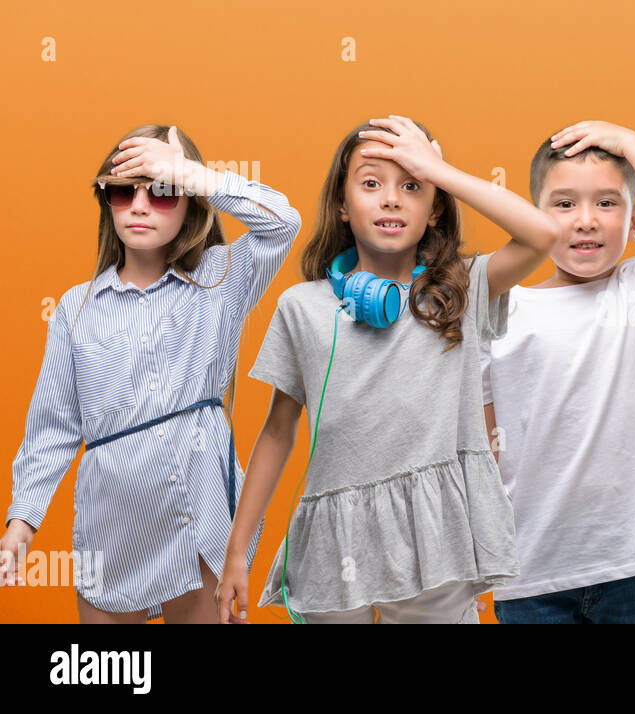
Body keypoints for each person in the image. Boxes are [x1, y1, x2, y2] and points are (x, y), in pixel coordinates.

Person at [216, 115, 559, 623]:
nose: (392, 199)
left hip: (436, 532)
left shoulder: (462, 289)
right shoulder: (302, 307)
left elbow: (542, 234)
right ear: (341, 203)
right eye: (371, 183)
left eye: (413, 185)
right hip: (334, 537)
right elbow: (276, 433)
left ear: (436, 206)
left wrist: (439, 169)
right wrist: (237, 554)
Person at [0, 124, 302, 623]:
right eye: (125, 190)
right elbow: (52, 428)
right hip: (111, 523)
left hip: (199, 510)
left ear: (190, 202)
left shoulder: (220, 279)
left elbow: (283, 222)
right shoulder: (76, 309)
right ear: (108, 202)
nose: (140, 205)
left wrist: (191, 173)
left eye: (162, 191)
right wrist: (22, 522)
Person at [481, 120, 635, 623]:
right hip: (530, 571)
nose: (585, 220)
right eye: (564, 204)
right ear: (534, 220)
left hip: (630, 565)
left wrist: (630, 141)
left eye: (607, 203)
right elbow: (482, 448)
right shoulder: (499, 311)